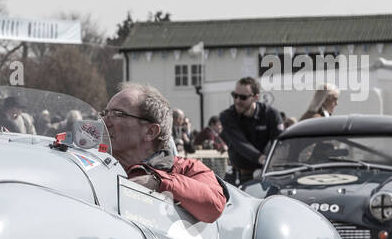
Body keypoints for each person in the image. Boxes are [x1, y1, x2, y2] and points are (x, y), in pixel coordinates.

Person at [103, 82, 226, 224]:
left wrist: (158, 182)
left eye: (117, 114)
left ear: (150, 131)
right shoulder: (94, 162)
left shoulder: (185, 168)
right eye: (105, 113)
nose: (104, 121)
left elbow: (214, 204)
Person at [219, 76, 283, 184]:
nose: (237, 100)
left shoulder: (270, 114)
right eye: (235, 96)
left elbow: (279, 142)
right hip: (238, 175)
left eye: (243, 97)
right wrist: (261, 158)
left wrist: (274, 160)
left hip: (265, 172)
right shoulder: (227, 116)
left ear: (255, 97)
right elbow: (239, 143)